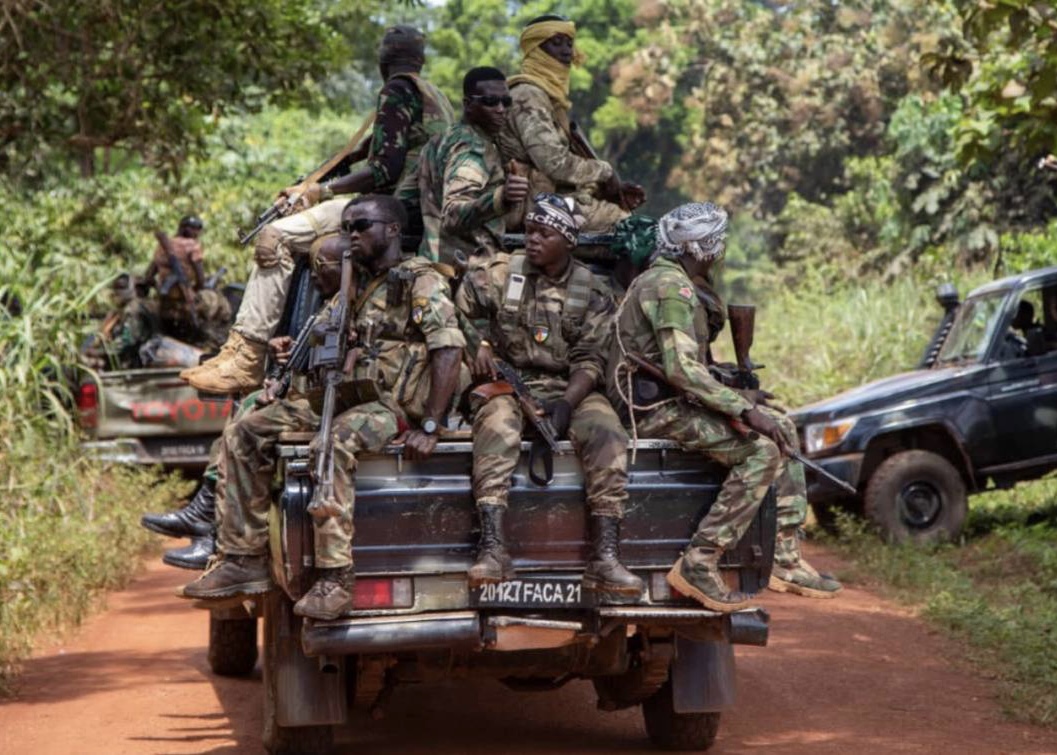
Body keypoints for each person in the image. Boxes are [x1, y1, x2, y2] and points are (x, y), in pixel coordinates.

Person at [181, 195, 465, 620]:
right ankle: (244, 558)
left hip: (390, 408)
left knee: (329, 445)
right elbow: (323, 342)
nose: (351, 234)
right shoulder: (359, 287)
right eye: (347, 226)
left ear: (391, 230)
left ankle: (336, 576)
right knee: (244, 432)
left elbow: (448, 350)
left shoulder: (418, 280)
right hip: (348, 395)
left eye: (362, 225)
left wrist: (430, 424)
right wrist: (292, 349)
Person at [183, 26, 455, 395]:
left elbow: (383, 170)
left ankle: (246, 356)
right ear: (420, 60)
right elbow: (370, 155)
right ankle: (237, 351)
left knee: (273, 237)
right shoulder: (433, 96)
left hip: (391, 205)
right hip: (416, 210)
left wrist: (319, 190)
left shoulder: (396, 91)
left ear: (383, 60)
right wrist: (313, 181)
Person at [608, 202, 841, 612]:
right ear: (700, 247)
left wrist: (742, 396)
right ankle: (700, 561)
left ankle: (785, 558)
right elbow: (680, 368)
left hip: (668, 402)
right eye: (716, 244)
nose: (719, 252)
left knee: (782, 427)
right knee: (761, 449)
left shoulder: (672, 282)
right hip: (653, 411)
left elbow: (688, 367)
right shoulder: (671, 287)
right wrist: (745, 411)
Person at [456, 192, 642, 598]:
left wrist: (565, 405)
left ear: (568, 241)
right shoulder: (499, 273)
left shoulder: (591, 291)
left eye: (544, 233)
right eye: (529, 230)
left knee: (607, 430)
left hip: (565, 385)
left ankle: (606, 556)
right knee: (497, 423)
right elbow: (460, 316)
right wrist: (480, 347)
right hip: (505, 382)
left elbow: (591, 358)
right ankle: (492, 548)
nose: (532, 239)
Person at [498, 15, 644, 232]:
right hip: (532, 206)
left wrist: (610, 188)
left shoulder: (549, 98)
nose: (566, 51)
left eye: (569, 43)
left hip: (548, 199)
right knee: (629, 229)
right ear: (536, 48)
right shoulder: (528, 94)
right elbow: (554, 162)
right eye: (556, 43)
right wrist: (604, 172)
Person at [401, 66, 530, 267]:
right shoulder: (473, 148)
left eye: (506, 101)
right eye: (489, 101)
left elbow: (404, 199)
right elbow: (453, 215)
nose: (500, 109)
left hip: (433, 264)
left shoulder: (440, 141)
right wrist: (500, 198)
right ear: (468, 104)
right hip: (470, 269)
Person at [144, 215, 231, 350]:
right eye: (194, 229)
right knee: (222, 304)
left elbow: (149, 277)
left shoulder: (162, 246)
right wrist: (194, 288)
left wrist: (158, 288)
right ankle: (216, 342)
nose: (196, 233)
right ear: (184, 228)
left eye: (198, 230)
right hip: (185, 300)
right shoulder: (192, 246)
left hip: (164, 300)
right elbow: (201, 281)